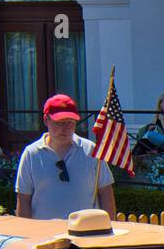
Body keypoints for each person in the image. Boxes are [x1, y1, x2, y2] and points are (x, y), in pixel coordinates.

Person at [15, 93, 115, 221]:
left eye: (71, 122)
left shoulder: (91, 150)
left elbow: (106, 193)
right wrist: (26, 231)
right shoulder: (31, 154)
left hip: (85, 231)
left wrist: (109, 226)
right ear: (46, 120)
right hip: (45, 232)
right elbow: (23, 199)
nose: (66, 128)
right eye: (60, 123)